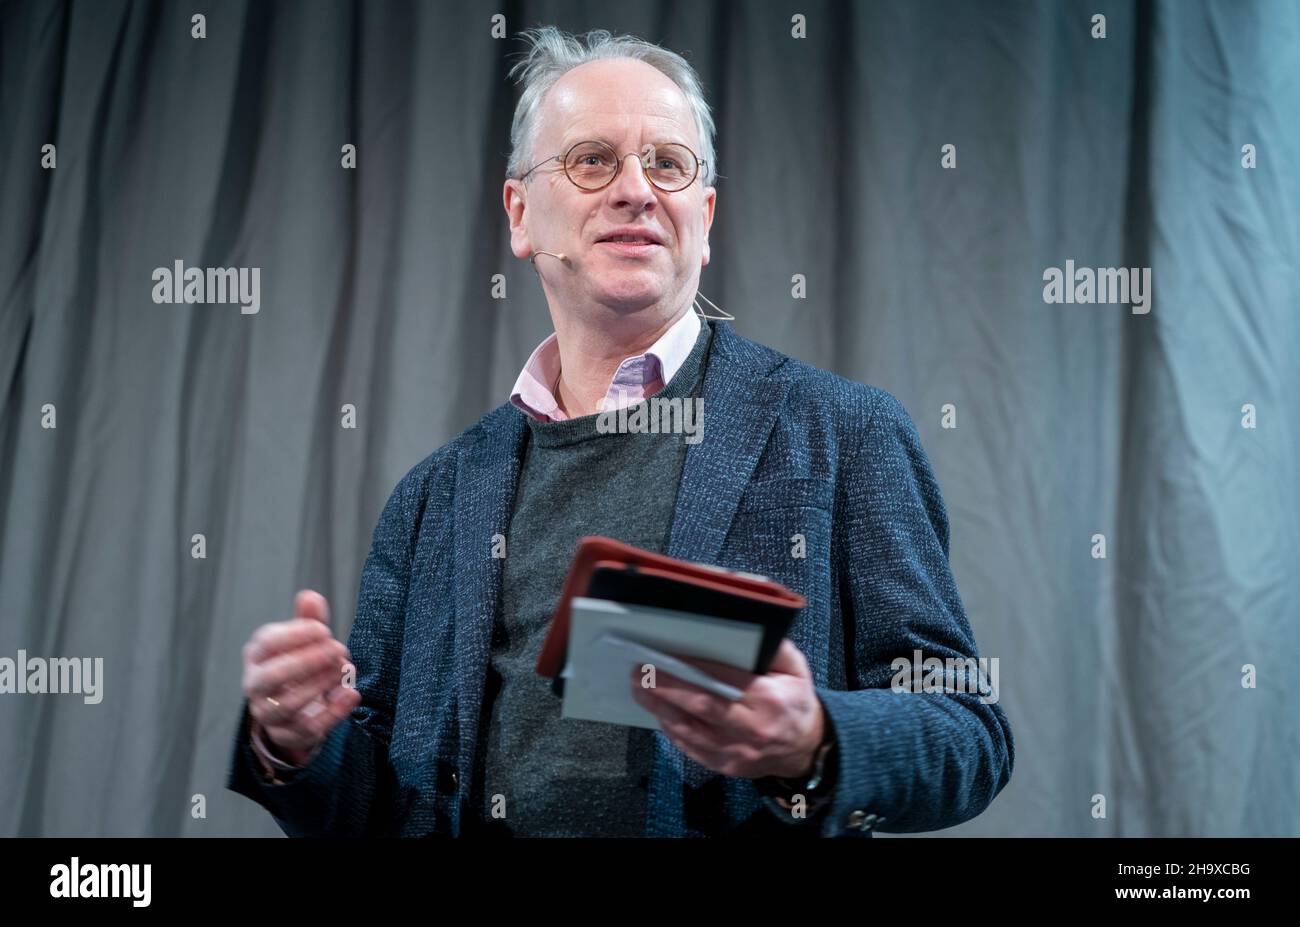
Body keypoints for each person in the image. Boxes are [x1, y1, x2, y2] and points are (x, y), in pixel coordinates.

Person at [226, 26, 1013, 837]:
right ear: (521, 214)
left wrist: (811, 739)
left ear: (704, 219)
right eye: (593, 159)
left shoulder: (846, 433)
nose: (636, 189)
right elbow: (377, 808)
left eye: (668, 164)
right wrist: (299, 743)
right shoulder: (435, 494)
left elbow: (968, 733)